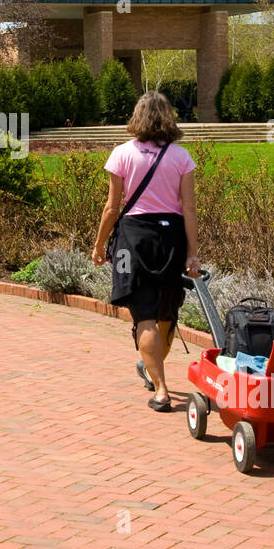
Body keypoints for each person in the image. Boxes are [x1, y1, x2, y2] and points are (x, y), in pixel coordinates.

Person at [90, 91, 200, 413]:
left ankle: (162, 389)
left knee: (144, 314)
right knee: (166, 310)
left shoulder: (121, 154)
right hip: (172, 239)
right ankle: (153, 369)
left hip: (133, 239)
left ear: (137, 117)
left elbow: (112, 208)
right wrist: (192, 253)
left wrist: (99, 245)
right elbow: (189, 209)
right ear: (168, 117)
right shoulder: (181, 157)